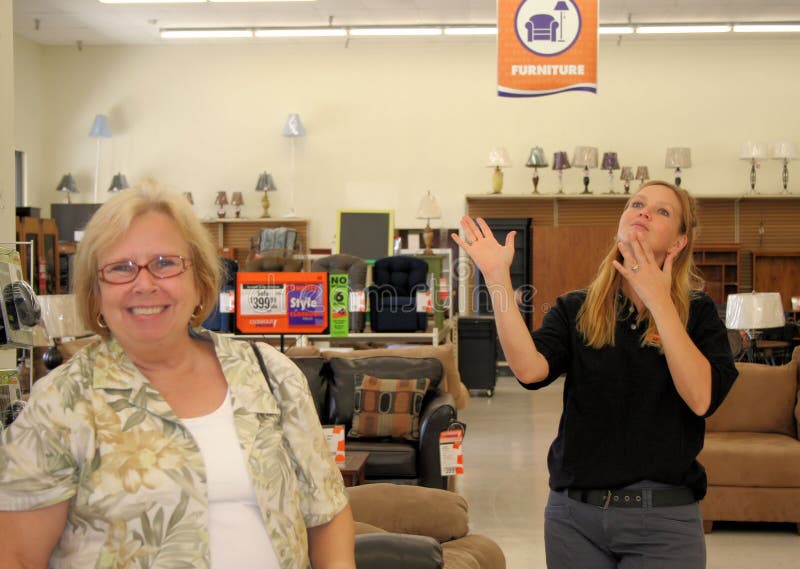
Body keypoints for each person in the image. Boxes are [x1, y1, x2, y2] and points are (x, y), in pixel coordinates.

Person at [0, 183, 355, 569]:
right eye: (121, 268)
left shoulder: (270, 373)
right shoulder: (61, 403)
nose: (145, 283)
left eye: (165, 263)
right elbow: (16, 556)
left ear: (198, 279)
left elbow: (327, 513)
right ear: (96, 292)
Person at [453, 181, 737, 569]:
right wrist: (497, 278)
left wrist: (659, 300)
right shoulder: (577, 308)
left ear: (677, 243)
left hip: (664, 522)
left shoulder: (701, 314)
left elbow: (701, 397)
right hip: (575, 520)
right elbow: (529, 369)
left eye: (662, 211)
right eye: (637, 204)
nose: (644, 212)